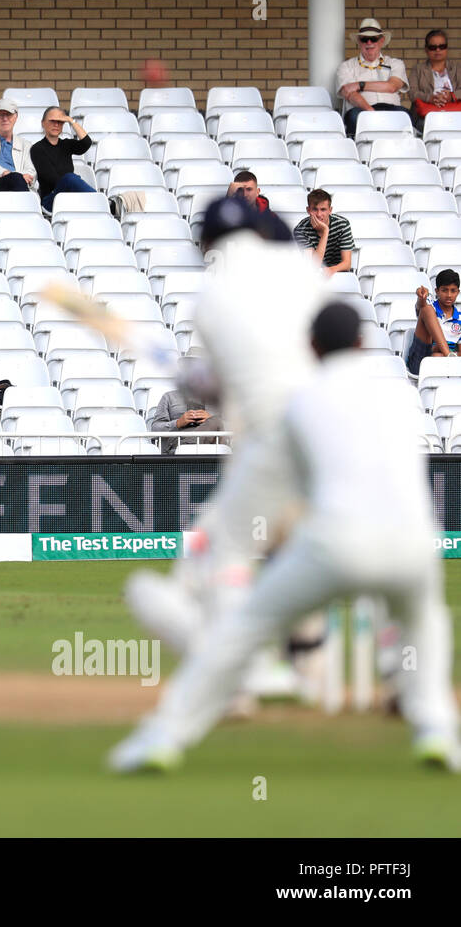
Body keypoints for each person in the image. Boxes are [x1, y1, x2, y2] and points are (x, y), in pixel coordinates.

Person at [111, 301, 461, 773]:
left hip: (336, 544)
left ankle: (164, 736)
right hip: (414, 544)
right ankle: (437, 728)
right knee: (425, 622)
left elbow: (268, 476)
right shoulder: (400, 397)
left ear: (312, 347)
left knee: (241, 629)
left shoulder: (301, 401)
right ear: (361, 344)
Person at [124, 197, 327, 706]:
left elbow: (216, 388)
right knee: (301, 547)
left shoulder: (212, 301)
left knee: (222, 556)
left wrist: (188, 376)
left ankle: (240, 676)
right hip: (322, 431)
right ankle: (311, 662)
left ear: (210, 246)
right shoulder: (301, 277)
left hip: (266, 439)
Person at [335, 17, 409, 137]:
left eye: (373, 39)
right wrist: (370, 111)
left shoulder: (395, 63)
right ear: (359, 42)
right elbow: (350, 94)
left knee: (405, 116)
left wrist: (360, 85)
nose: (369, 43)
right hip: (362, 110)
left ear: (381, 41)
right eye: (365, 39)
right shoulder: (346, 66)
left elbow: (392, 87)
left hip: (392, 109)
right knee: (355, 117)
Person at [30, 107, 97, 214]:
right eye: (52, 121)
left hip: (70, 197)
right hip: (51, 201)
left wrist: (71, 121)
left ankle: (101, 202)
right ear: (43, 123)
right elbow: (52, 179)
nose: (56, 125)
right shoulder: (37, 149)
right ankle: (102, 202)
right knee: (69, 178)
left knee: (70, 178)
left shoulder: (66, 144)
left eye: (60, 122)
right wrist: (73, 181)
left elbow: (86, 142)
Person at [406, 269, 461, 373]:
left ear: (458, 292)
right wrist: (421, 297)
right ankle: (447, 354)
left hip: (446, 363)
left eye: (453, 290)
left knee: (437, 356)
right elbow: (421, 306)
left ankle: (447, 355)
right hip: (421, 359)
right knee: (426, 309)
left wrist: (440, 352)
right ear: (437, 291)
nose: (449, 295)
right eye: (444, 290)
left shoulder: (460, 317)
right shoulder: (429, 305)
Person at [292, 188, 355, 275]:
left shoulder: (342, 225)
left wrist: (330, 270)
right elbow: (313, 266)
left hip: (339, 273)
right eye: (314, 209)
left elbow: (347, 264)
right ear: (308, 210)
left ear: (330, 210)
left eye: (323, 209)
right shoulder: (301, 230)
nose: (319, 214)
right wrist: (325, 232)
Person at [146, 386, 224, 455]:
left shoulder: (217, 399)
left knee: (216, 421)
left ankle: (190, 448)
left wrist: (210, 420)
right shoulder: (169, 397)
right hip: (180, 441)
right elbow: (155, 429)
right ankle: (190, 447)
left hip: (212, 443)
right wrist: (177, 423)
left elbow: (233, 427)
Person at [408, 29, 461, 127]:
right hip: (426, 115)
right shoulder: (418, 69)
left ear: (447, 48)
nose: (438, 50)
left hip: (455, 113)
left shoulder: (457, 68)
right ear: (426, 49)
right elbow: (412, 92)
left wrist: (452, 96)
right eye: (433, 47)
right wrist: (430, 98)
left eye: (442, 46)